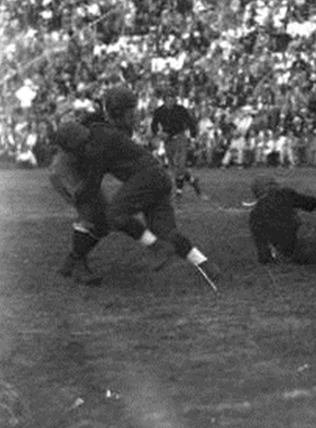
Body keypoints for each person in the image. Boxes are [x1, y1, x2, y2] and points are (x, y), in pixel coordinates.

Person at [70, 86, 220, 288]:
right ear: (118, 111)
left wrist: (81, 194)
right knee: (166, 232)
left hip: (147, 177)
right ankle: (205, 264)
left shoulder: (103, 135)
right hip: (159, 178)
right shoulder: (109, 132)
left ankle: (157, 248)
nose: (133, 116)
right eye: (130, 111)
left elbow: (94, 176)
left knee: (113, 214)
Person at [51, 120, 170, 286]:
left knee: (106, 219)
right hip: (71, 176)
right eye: (83, 143)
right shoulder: (65, 164)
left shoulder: (88, 138)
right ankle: (77, 264)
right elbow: (83, 189)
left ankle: (72, 261)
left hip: (82, 174)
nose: (88, 143)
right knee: (92, 215)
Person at [150, 89, 202, 199]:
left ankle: (179, 192)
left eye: (172, 98)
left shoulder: (181, 110)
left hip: (180, 138)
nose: (170, 101)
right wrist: (159, 133)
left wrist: (192, 139)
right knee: (175, 167)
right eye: (168, 98)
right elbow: (153, 126)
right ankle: (192, 180)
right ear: (164, 100)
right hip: (168, 141)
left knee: (180, 164)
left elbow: (190, 123)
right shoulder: (159, 111)